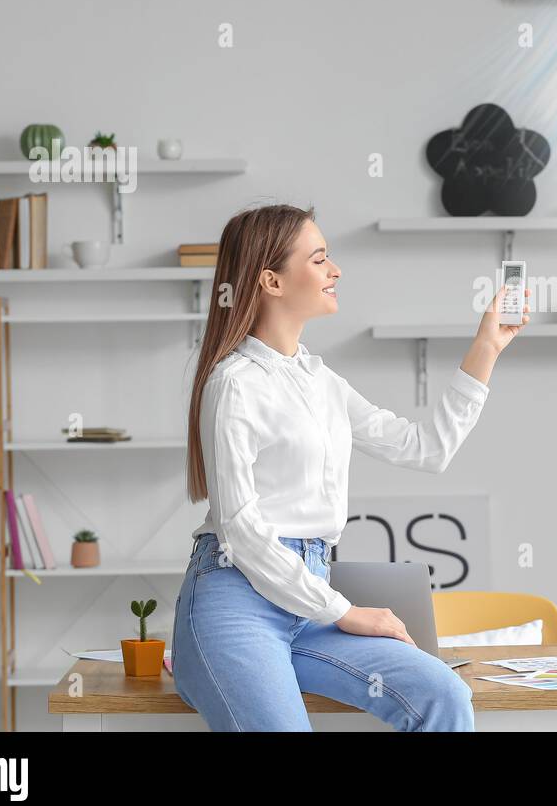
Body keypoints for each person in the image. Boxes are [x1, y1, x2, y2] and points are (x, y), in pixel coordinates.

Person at [170, 202, 528, 730]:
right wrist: (345, 611)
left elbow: (426, 448)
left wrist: (486, 347)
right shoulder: (234, 384)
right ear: (271, 279)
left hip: (310, 602)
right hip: (237, 606)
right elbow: (241, 533)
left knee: (444, 695)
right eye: (319, 260)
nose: (335, 271)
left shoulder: (322, 381)